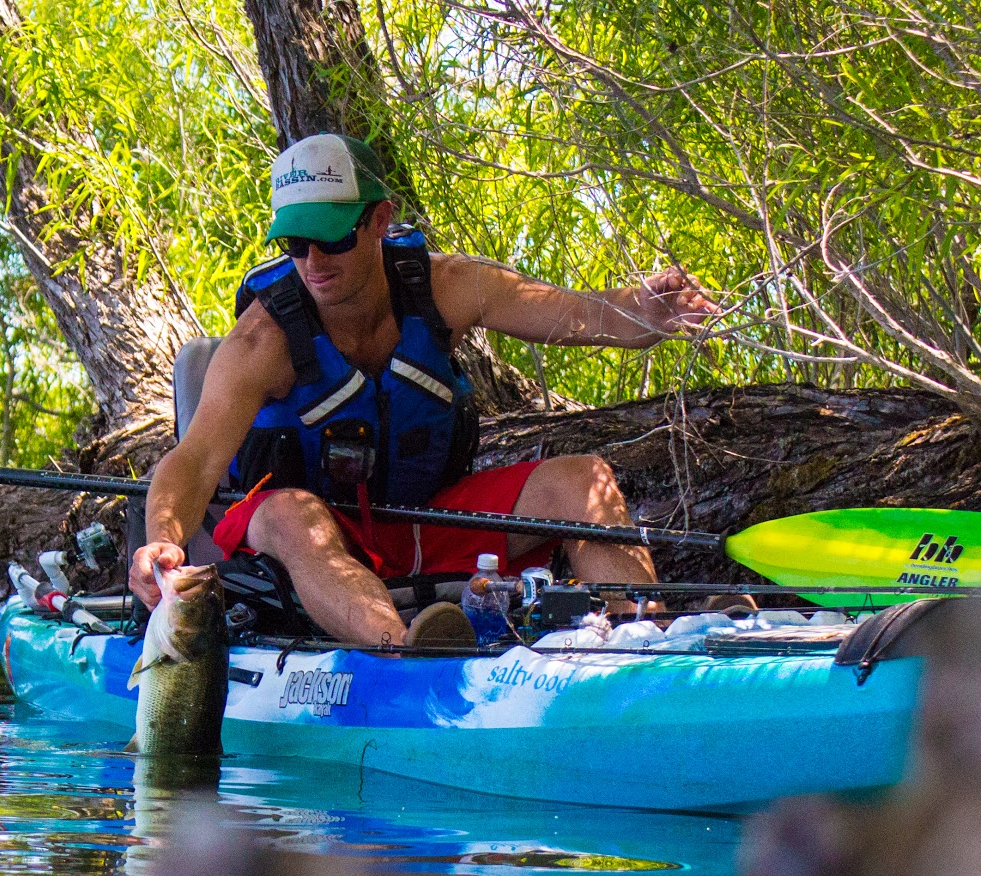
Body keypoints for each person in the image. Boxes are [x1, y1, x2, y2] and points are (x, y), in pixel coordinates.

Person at [129, 133, 720, 645]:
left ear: (379, 222)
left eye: (332, 239)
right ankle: (410, 647)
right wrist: (162, 542)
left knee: (581, 477)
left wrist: (641, 312)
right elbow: (194, 460)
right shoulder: (262, 341)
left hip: (419, 521)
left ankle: (646, 641)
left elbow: (575, 313)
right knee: (290, 512)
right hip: (297, 543)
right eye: (295, 245)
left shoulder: (447, 286)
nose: (313, 262)